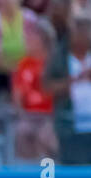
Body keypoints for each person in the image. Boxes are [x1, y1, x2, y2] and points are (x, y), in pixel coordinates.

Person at [46, 11, 91, 162]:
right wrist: (71, 82)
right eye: (79, 27)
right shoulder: (59, 56)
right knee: (75, 175)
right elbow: (47, 86)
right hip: (69, 128)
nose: (83, 31)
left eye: (87, 27)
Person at [12, 22, 57, 156]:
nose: (27, 40)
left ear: (43, 40)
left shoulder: (54, 62)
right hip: (28, 115)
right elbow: (17, 95)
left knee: (45, 137)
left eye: (31, 37)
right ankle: (28, 174)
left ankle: (48, 176)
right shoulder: (23, 63)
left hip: (51, 116)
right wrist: (20, 114)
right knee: (22, 132)